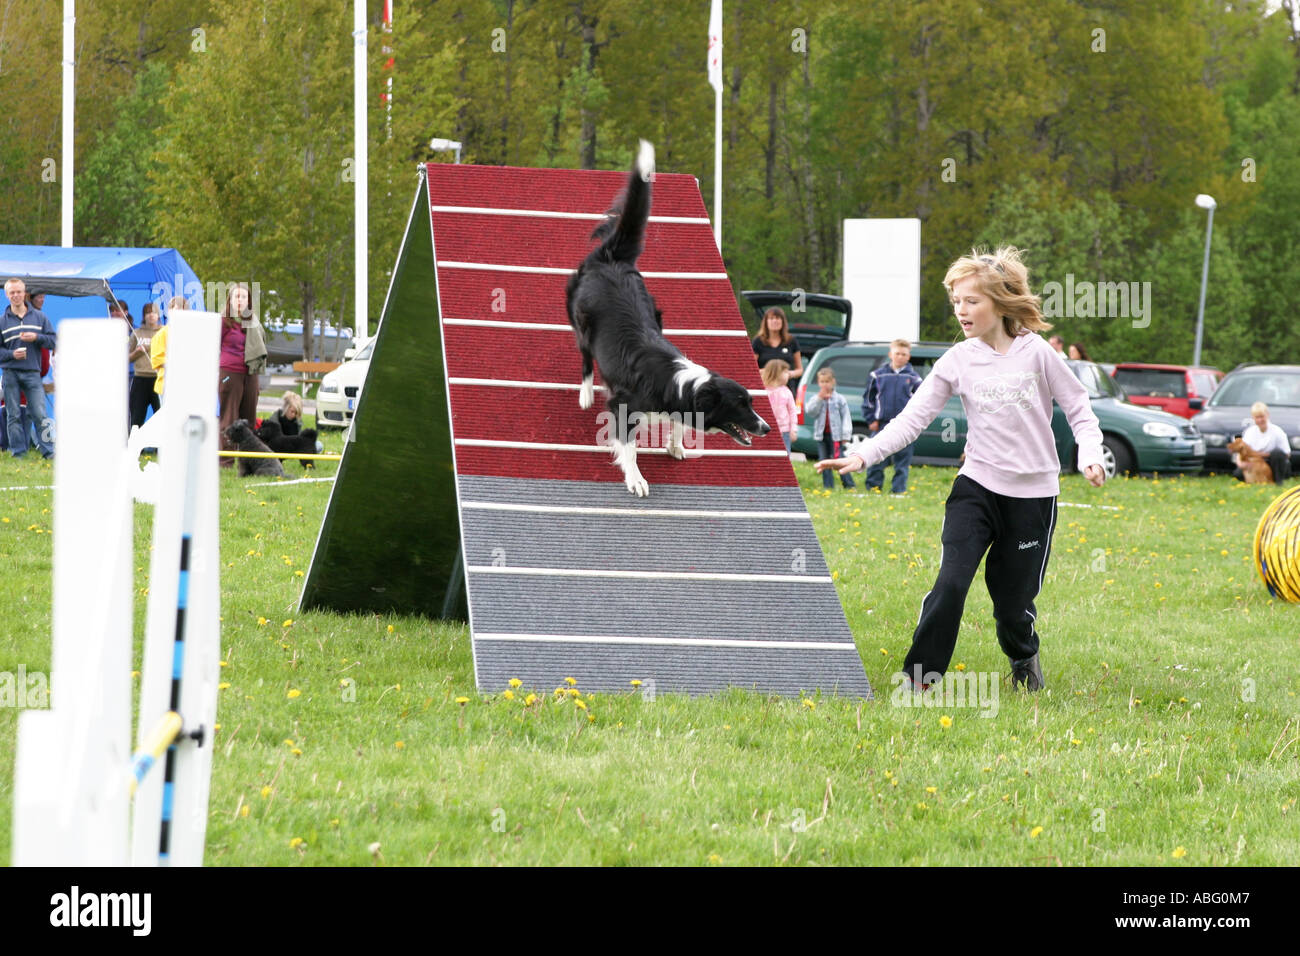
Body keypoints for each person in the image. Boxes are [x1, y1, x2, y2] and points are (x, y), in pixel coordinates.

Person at [817, 247, 1106, 693]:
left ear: (999, 300)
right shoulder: (958, 359)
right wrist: (865, 454)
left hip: (1033, 497)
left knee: (1012, 604)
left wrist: (1089, 450)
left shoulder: (1038, 354)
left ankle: (1023, 657)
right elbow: (913, 418)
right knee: (951, 582)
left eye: (970, 300)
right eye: (955, 300)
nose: (960, 310)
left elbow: (1078, 406)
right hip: (977, 485)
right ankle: (919, 679)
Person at [1, 277, 57, 459]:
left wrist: (37, 338)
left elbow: (54, 341)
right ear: (6, 295)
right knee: (13, 415)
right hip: (10, 373)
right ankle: (18, 454)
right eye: (12, 292)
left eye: (19, 292)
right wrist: (11, 355)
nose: (16, 295)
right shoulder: (2, 322)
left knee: (40, 414)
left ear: (24, 293)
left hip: (33, 373)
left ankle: (48, 452)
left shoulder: (40, 317)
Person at [217, 283, 268, 467]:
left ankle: (248, 461)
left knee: (249, 417)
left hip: (250, 372)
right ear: (230, 300)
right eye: (237, 297)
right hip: (229, 372)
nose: (240, 301)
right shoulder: (223, 321)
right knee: (229, 417)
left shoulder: (253, 322)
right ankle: (226, 461)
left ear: (249, 301)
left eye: (244, 297)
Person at [862, 339, 923, 494]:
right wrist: (871, 419)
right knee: (876, 457)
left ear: (908, 357)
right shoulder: (877, 375)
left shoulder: (914, 378)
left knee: (902, 461)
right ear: (891, 354)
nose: (900, 357)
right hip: (881, 423)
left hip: (905, 425)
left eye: (904, 354)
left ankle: (898, 490)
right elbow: (868, 399)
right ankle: (873, 487)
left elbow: (921, 402)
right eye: (897, 353)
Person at [804, 367, 855, 490]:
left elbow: (846, 417)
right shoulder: (816, 398)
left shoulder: (839, 399)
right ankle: (828, 486)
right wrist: (819, 399)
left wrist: (846, 435)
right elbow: (810, 412)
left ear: (833, 382)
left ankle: (849, 484)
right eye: (822, 382)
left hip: (836, 436)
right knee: (824, 460)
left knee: (839, 459)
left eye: (827, 381)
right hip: (821, 436)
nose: (824, 384)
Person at [1233, 402, 1290, 484]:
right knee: (1238, 474)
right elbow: (1241, 451)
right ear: (1253, 418)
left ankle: (1278, 481)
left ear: (1267, 415)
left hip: (1273, 462)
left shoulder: (1278, 431)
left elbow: (1287, 453)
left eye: (1262, 416)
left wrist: (1262, 455)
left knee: (1277, 453)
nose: (1260, 420)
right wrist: (1240, 463)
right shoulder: (1249, 432)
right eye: (1257, 417)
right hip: (1255, 463)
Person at [128, 302, 162, 430]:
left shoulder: (164, 332)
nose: (151, 315)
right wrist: (137, 352)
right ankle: (135, 448)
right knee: (137, 418)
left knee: (161, 415)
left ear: (158, 315)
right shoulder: (137, 333)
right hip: (140, 379)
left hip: (158, 379)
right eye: (148, 312)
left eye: (153, 312)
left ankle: (160, 449)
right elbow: (127, 358)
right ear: (144, 316)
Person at [150, 295, 189, 398]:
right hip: (167, 385)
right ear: (169, 312)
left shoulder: (190, 334)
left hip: (187, 385)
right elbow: (156, 360)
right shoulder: (161, 334)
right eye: (177, 310)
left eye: (184, 311)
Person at [752, 307, 802, 384]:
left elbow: (800, 370)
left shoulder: (792, 341)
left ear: (783, 322)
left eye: (778, 318)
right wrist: (769, 372)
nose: (775, 321)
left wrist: (789, 374)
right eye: (771, 318)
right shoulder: (758, 341)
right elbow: (751, 370)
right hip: (765, 386)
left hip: (786, 388)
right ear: (766, 322)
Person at [760, 359, 798, 452]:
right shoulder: (764, 391)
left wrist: (793, 429)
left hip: (784, 431)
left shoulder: (786, 391)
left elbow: (792, 411)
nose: (788, 375)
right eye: (785, 372)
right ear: (776, 373)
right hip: (767, 430)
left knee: (785, 454)